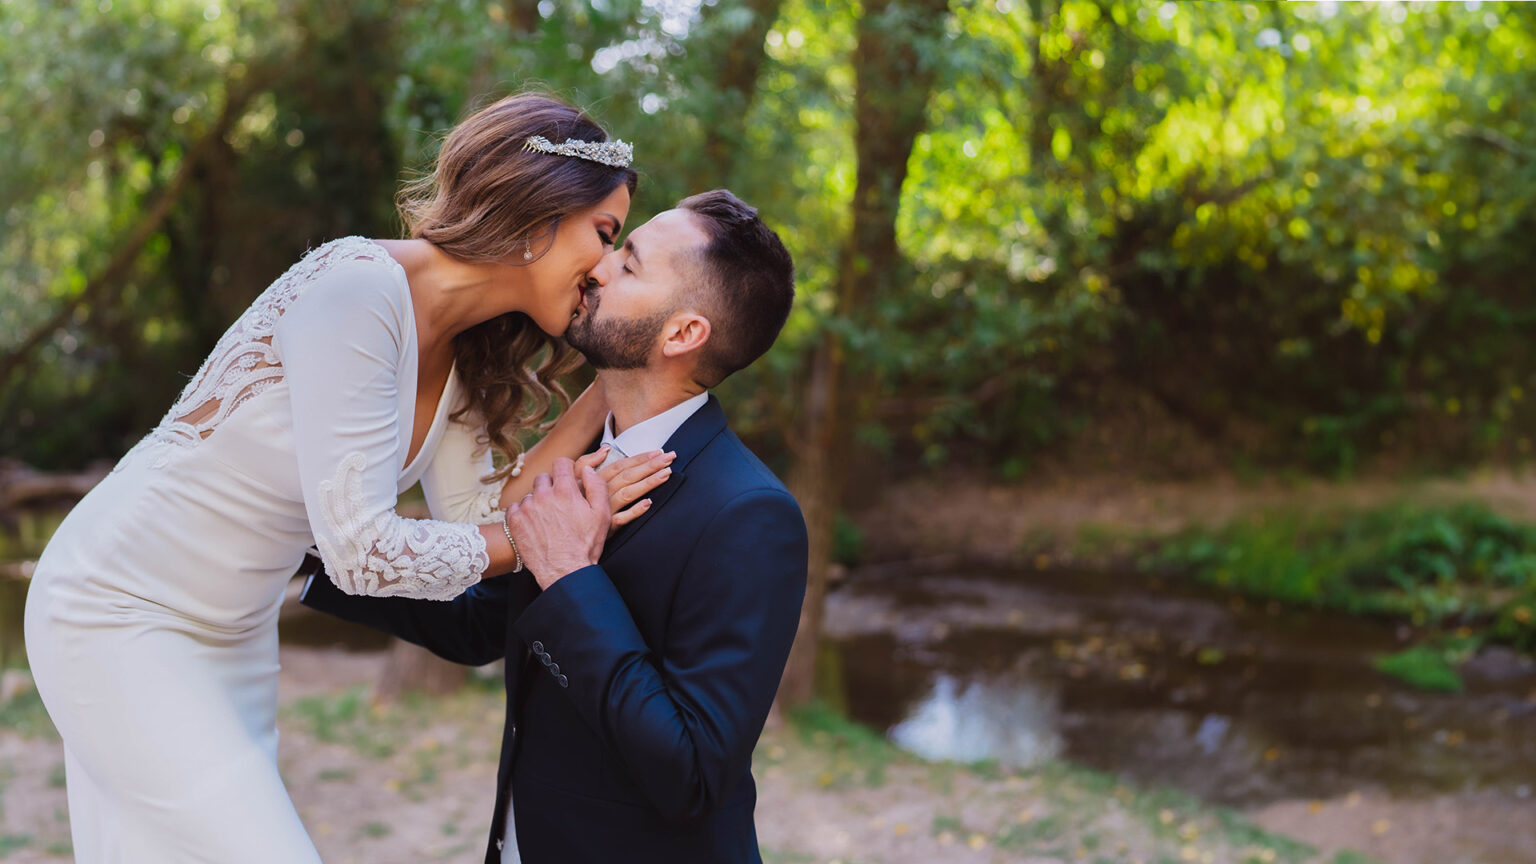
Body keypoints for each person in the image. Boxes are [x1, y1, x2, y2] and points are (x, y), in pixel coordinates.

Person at [22, 92, 673, 863]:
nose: (604, 269)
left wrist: (619, 374)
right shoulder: (359, 289)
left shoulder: (463, 355)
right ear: (541, 212)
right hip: (118, 610)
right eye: (605, 234)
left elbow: (482, 512)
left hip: (233, 636)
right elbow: (363, 553)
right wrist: (538, 538)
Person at [301, 189, 808, 863]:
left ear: (682, 334)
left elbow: (690, 773)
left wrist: (572, 574)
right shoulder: (585, 459)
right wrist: (305, 550)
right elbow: (483, 622)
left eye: (628, 264)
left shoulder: (749, 514)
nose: (597, 266)